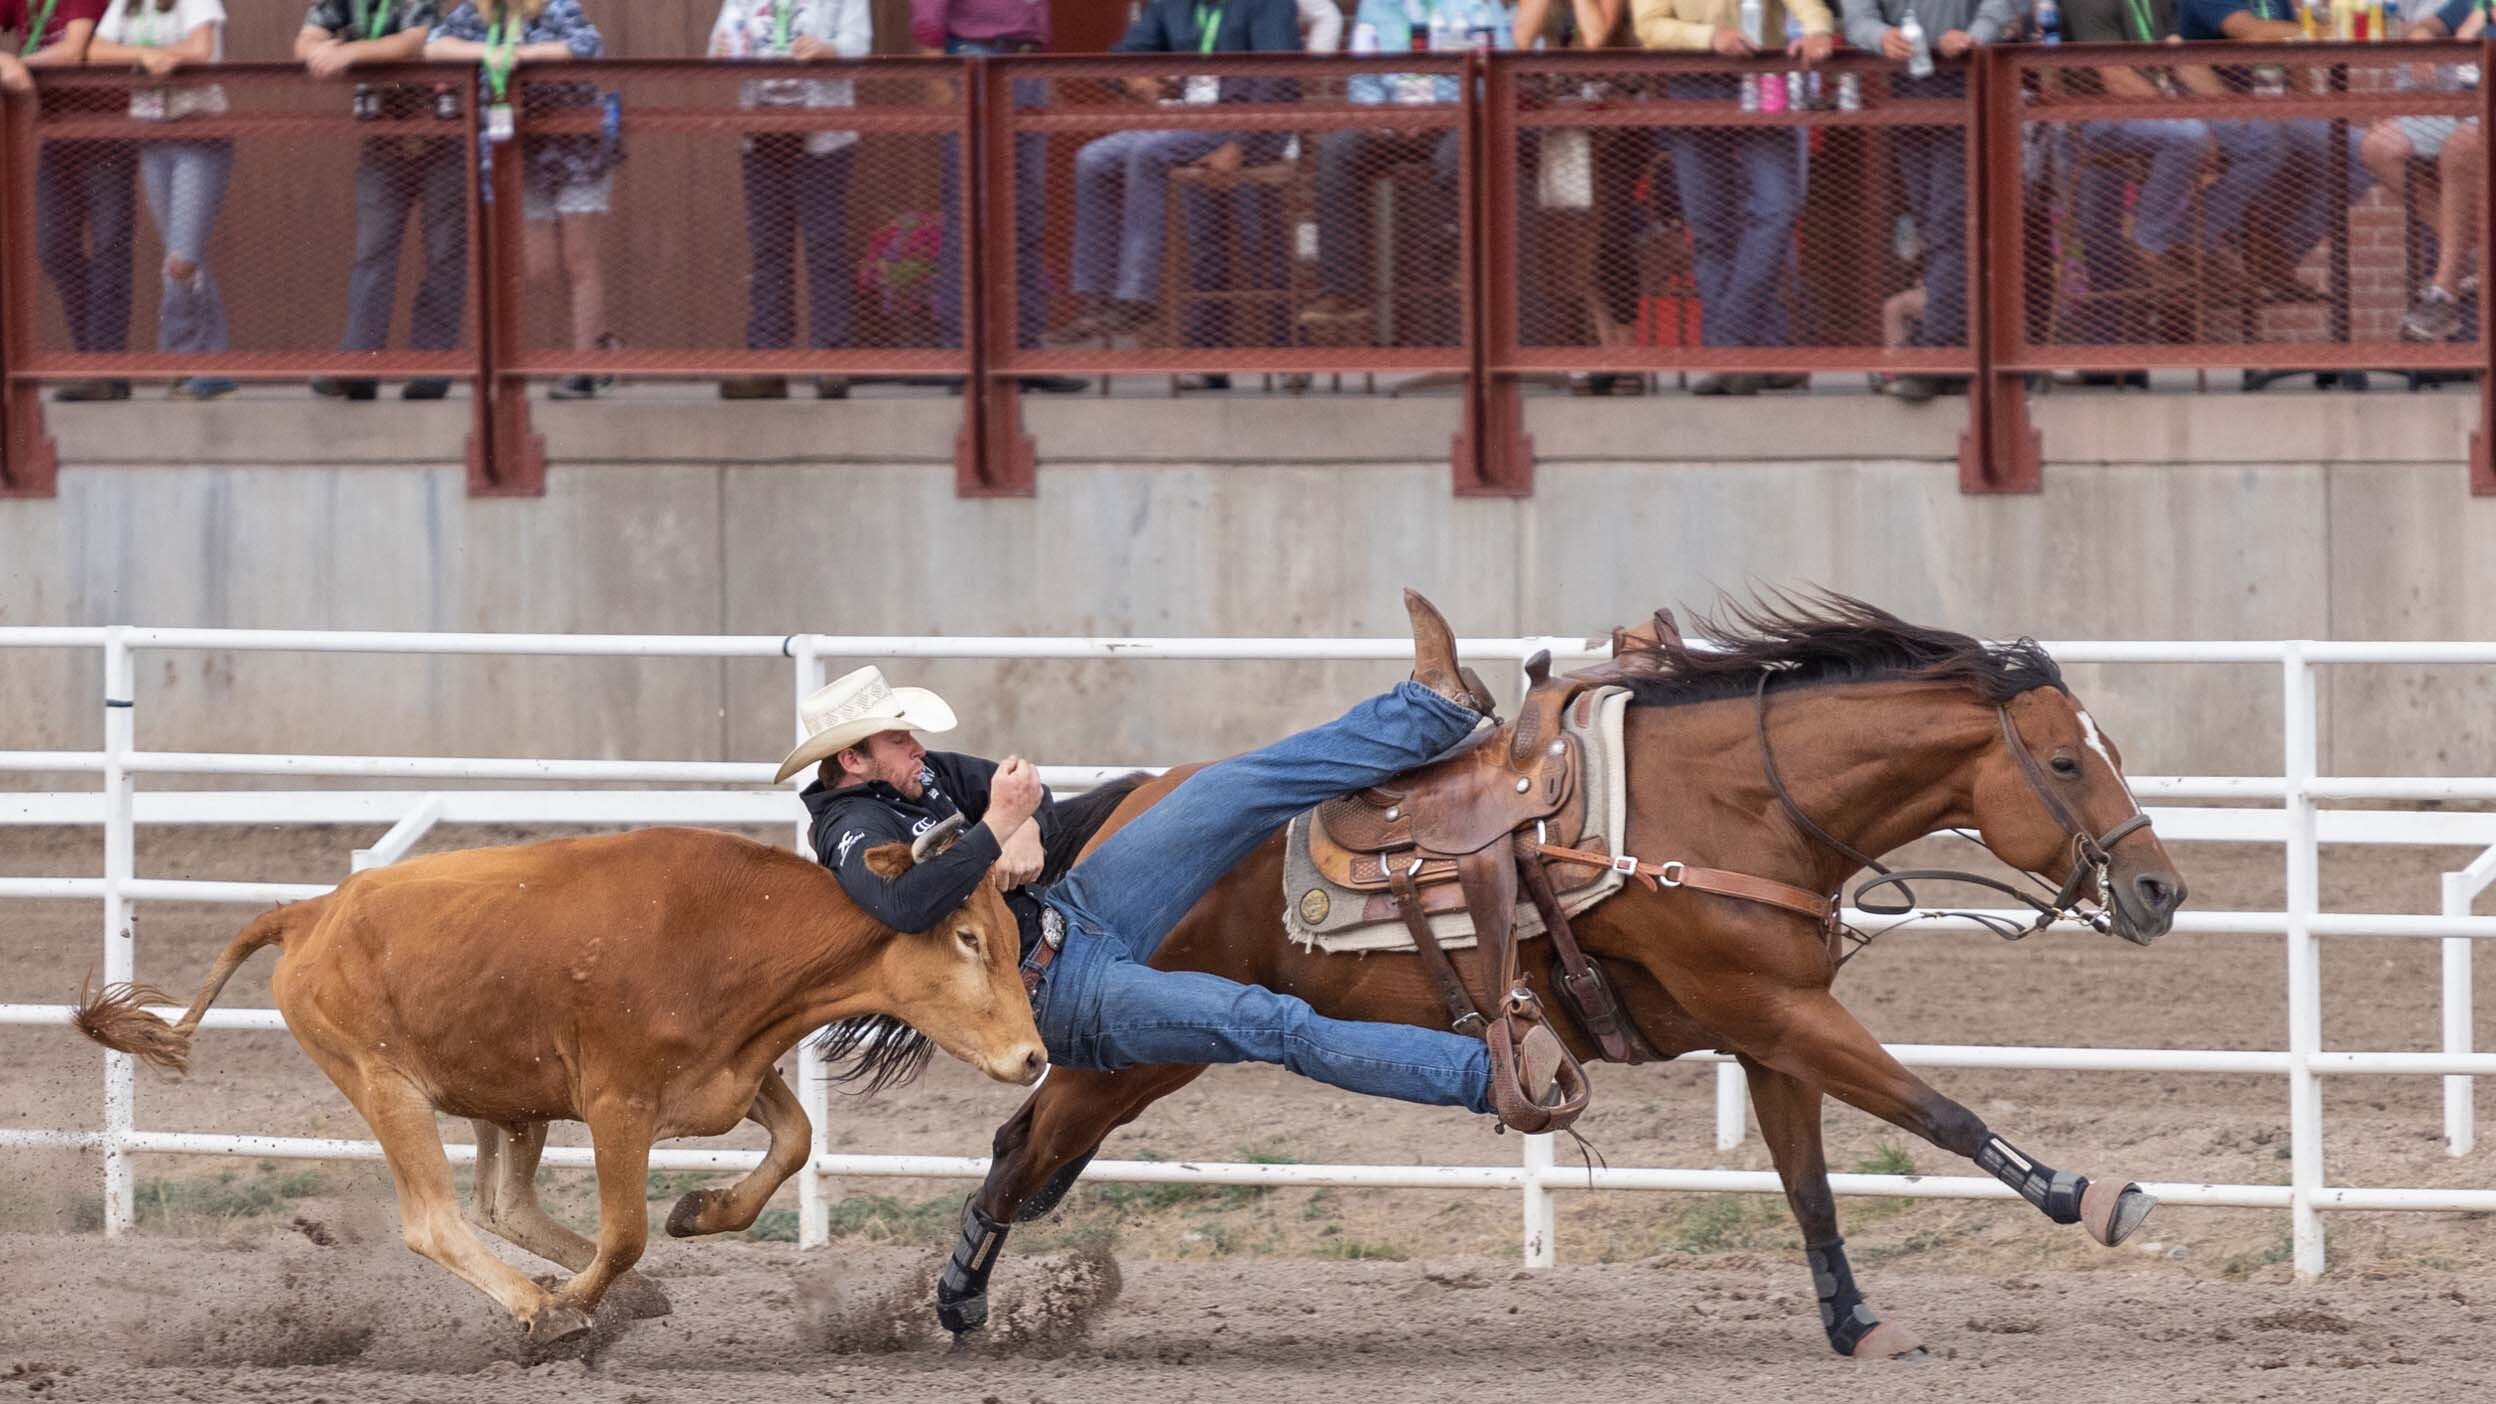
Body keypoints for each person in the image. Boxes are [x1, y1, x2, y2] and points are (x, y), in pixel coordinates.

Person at [777, 594, 1553, 1137]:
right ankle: (1490, 1081)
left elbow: (1027, 795)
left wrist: (1028, 836)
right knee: (1266, 1021)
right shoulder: (849, 826)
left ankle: (1428, 710)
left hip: (1075, 911)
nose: (917, 748)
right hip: (1051, 993)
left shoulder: (929, 775)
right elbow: (906, 905)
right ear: (853, 759)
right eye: (898, 741)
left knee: (1229, 788)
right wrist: (995, 831)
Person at [1043, 0, 1301, 347]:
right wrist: (1131, 78)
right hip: (1185, 124)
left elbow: (1281, 80)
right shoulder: (1172, 5)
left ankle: (1137, 296)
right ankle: (1097, 298)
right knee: (1094, 158)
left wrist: (1239, 143)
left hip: (1245, 126)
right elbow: (1120, 56)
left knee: (1149, 154)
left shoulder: (1266, 5)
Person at [1632, 0, 1834, 395]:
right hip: (1692, 80)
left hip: (1763, 76)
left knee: (1778, 207)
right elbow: (1649, 27)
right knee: (1711, 228)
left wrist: (1817, 30)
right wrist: (1709, 37)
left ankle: (1727, 346)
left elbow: (1810, 6)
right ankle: (1746, 359)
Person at [1298, 0, 1516, 348]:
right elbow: (1363, 78)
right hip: (1394, 126)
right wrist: (1383, 116)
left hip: (1457, 120)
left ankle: (1465, 261)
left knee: (1456, 152)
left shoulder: (1479, 5)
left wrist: (1447, 112)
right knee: (1336, 150)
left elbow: (1497, 68)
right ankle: (1344, 292)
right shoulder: (1377, 7)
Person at [428, 0, 615, 400]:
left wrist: (522, 55)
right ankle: (599, 344)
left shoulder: (555, 8)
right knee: (540, 266)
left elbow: (587, 44)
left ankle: (584, 367)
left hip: (576, 149)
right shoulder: (474, 15)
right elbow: (434, 45)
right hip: (523, 153)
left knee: (578, 257)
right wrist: (488, 53)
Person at [1840, 0, 2019, 403]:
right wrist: (1879, 37)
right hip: (1906, 97)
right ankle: (1953, 351)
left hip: (1969, 91)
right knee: (1935, 227)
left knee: (1950, 226)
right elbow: (1857, 16)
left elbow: (2003, 5)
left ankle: (1938, 358)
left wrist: (1976, 35)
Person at [915, 0, 1088, 394]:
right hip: (975, 64)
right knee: (971, 213)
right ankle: (962, 355)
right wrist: (936, 71)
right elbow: (928, 12)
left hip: (1027, 69)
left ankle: (1025, 353)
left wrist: (1047, 70)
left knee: (1027, 216)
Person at [709, 0, 873, 402]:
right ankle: (768, 362)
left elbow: (860, 42)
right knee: (769, 248)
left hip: (824, 135)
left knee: (825, 244)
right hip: (763, 131)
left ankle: (832, 360)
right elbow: (718, 42)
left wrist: (826, 49)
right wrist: (729, 48)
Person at [299, 0, 459, 403]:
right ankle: (359, 365)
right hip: (384, 134)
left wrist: (348, 51)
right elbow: (306, 37)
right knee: (372, 251)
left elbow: (413, 40)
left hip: (440, 129)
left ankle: (432, 366)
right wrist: (320, 51)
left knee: (443, 252)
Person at [88, 0, 235, 400]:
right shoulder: (127, 4)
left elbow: (201, 48)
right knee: (180, 254)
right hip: (151, 136)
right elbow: (97, 50)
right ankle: (205, 365)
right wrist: (146, 54)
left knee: (182, 260)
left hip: (198, 134)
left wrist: (168, 57)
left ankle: (188, 359)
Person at [7, 0, 122, 402]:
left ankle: (107, 371)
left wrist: (17, 64)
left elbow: (74, 50)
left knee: (110, 247)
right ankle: (94, 361)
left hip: (108, 132)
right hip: (56, 135)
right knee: (53, 247)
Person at [2361, 0, 2483, 342]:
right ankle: (2471, 252)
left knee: (2462, 145)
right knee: (2379, 145)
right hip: (2470, 111)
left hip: (2476, 120)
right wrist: (2418, 39)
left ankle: (2443, 291)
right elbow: (2430, 26)